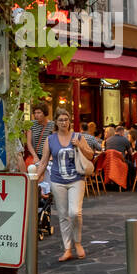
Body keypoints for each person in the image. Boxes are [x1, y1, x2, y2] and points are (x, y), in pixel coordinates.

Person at [32, 109, 94, 261]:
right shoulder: (50, 139)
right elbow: (44, 161)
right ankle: (67, 248)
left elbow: (91, 154)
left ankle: (77, 243)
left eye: (66, 120)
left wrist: (79, 144)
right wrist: (35, 179)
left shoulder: (78, 136)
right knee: (63, 215)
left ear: (70, 121)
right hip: (57, 180)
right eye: (60, 120)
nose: (64, 122)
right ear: (56, 122)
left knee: (75, 213)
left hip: (76, 179)